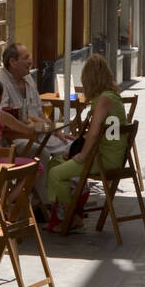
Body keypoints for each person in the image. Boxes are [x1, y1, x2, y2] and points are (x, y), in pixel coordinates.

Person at [45, 54, 127, 232]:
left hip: (103, 160)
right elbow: (98, 135)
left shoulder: (103, 100)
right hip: (111, 156)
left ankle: (69, 217)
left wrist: (81, 155)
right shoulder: (113, 97)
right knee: (56, 161)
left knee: (55, 174)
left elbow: (95, 131)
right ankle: (69, 210)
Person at [0, 43, 70, 162]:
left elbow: (40, 113)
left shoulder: (29, 78)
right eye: (26, 58)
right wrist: (35, 122)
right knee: (47, 153)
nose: (30, 61)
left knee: (73, 145)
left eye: (29, 56)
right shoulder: (0, 83)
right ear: (13, 62)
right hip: (16, 138)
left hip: (39, 134)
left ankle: (58, 179)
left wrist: (56, 131)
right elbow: (4, 114)